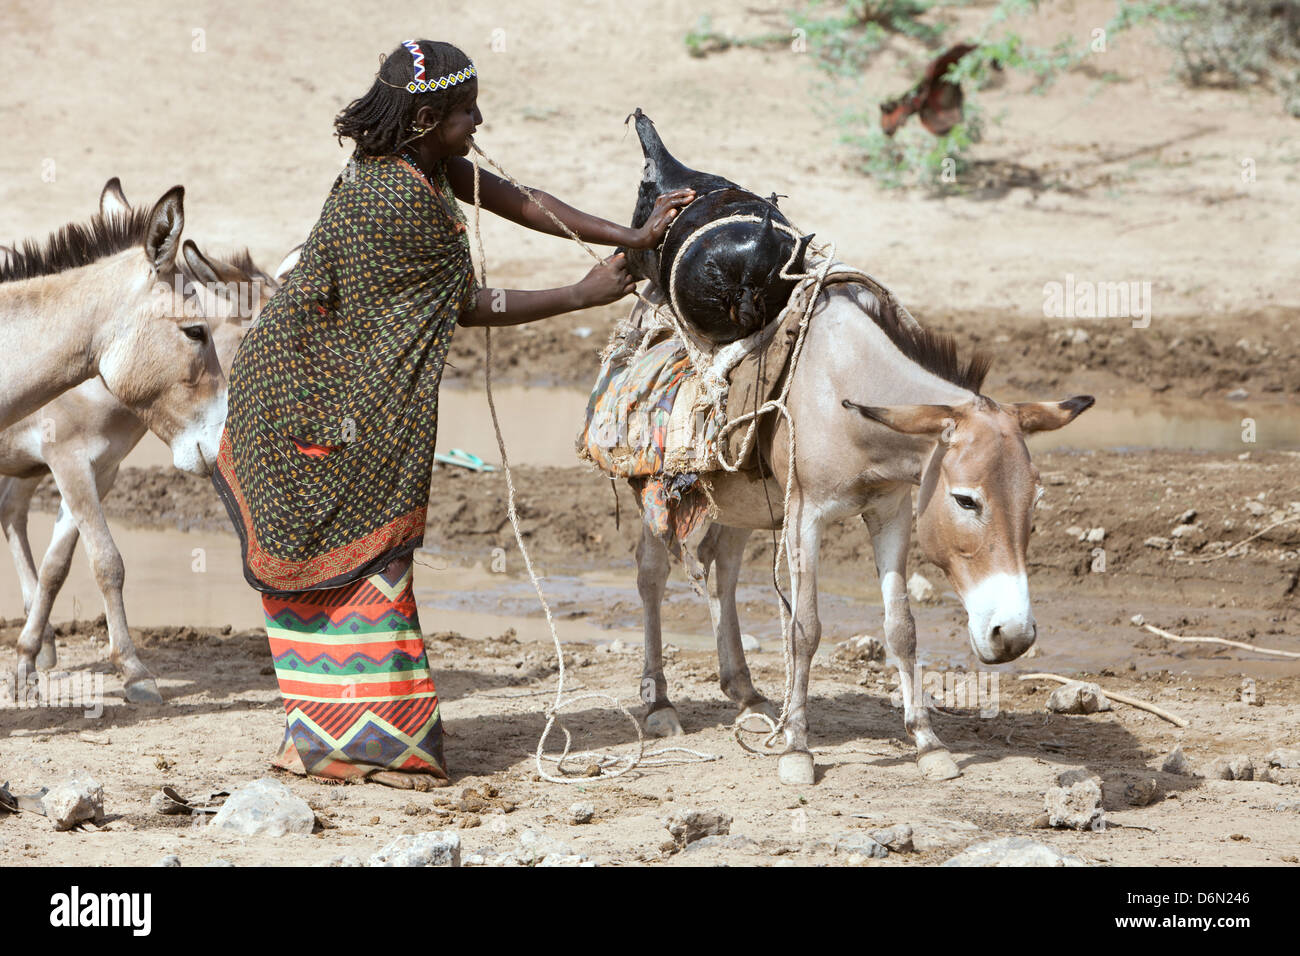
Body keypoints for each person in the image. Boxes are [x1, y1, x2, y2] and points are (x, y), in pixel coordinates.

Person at [212, 39, 693, 790]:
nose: (480, 120)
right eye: (468, 111)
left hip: (325, 385)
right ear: (428, 117)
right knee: (364, 560)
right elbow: (464, 304)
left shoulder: (421, 161)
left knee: (368, 566)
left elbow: (518, 198)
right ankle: (358, 745)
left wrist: (629, 237)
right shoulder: (394, 199)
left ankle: (347, 741)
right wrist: (579, 295)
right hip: (312, 400)